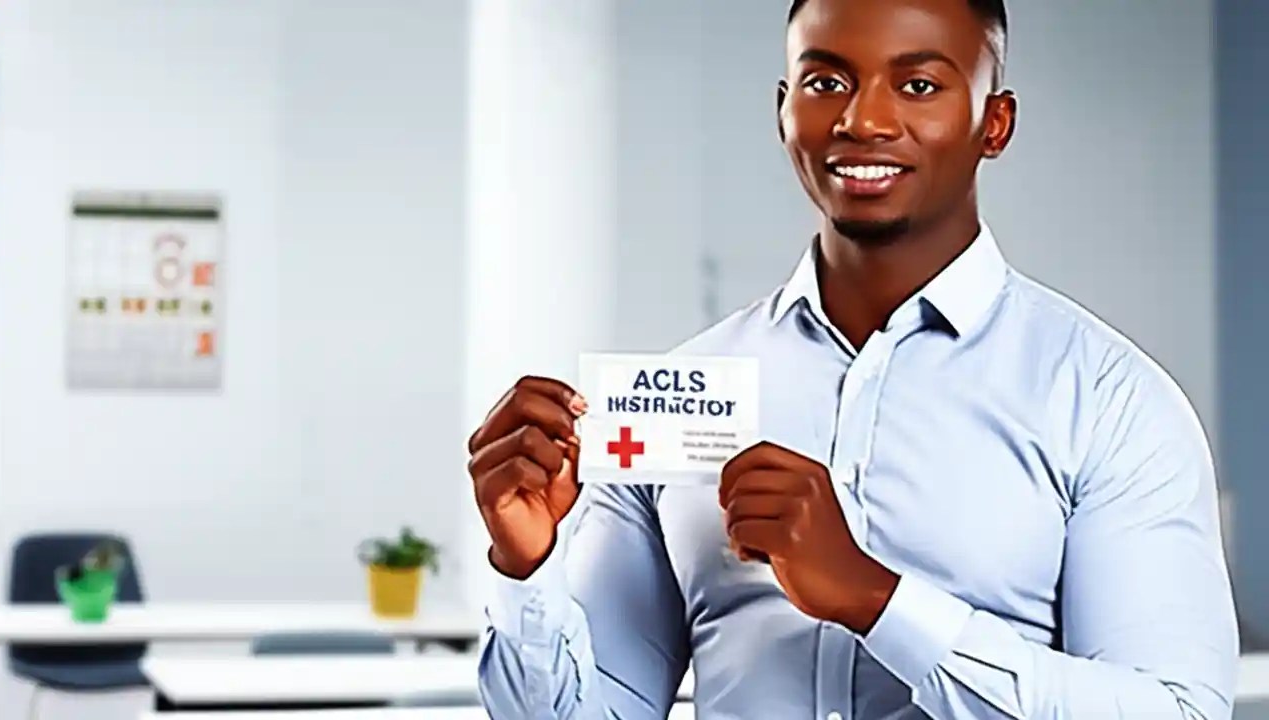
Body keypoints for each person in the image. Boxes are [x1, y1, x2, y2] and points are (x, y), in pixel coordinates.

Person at [467, 0, 1239, 716]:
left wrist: (875, 598)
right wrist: (526, 563)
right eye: (827, 80)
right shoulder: (677, 398)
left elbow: (1176, 710)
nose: (863, 119)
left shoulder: (1108, 401)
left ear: (994, 123)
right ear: (783, 111)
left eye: (919, 83)